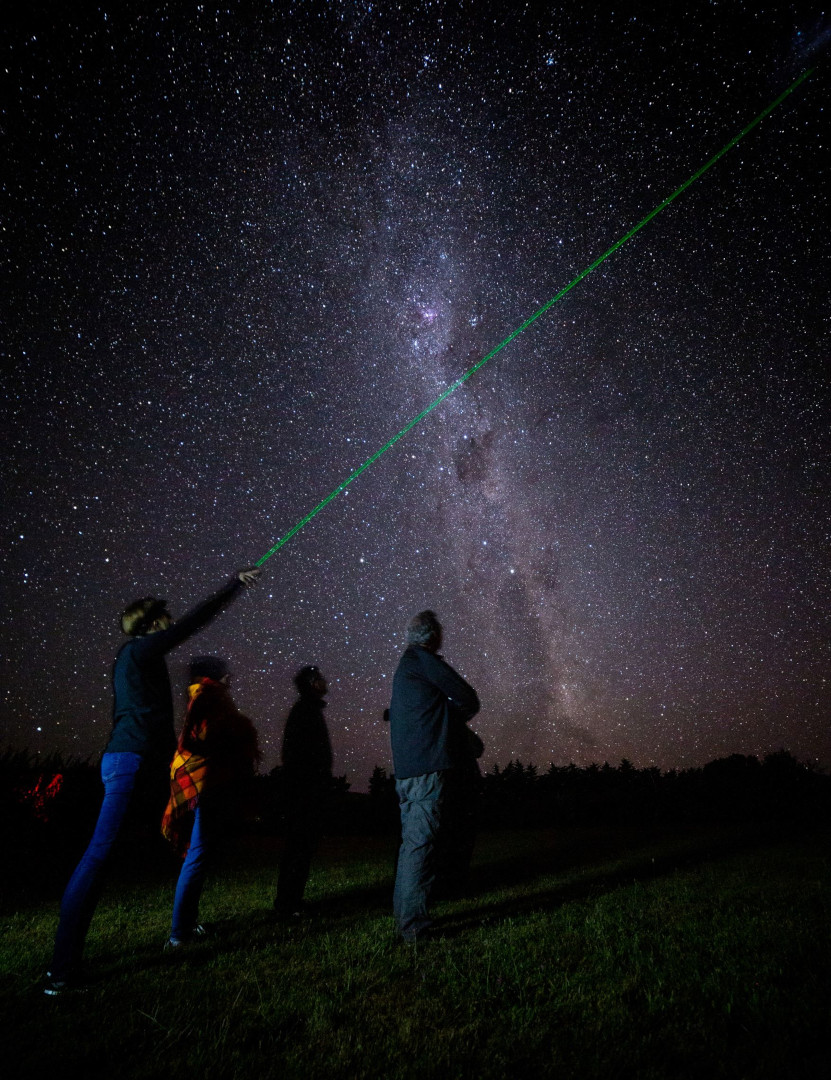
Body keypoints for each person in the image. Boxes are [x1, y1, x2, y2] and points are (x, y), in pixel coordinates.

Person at [44, 568, 260, 995]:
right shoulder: (140, 651)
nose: (170, 620)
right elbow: (194, 622)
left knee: (107, 857)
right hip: (131, 762)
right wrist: (235, 584)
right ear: (150, 623)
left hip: (134, 761)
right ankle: (60, 971)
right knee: (97, 857)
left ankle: (71, 963)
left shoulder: (139, 659)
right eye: (164, 616)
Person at [388, 610, 480, 942]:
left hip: (407, 769)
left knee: (411, 844)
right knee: (422, 845)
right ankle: (414, 927)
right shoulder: (423, 660)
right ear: (432, 636)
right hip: (427, 766)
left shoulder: (405, 666)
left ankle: (404, 918)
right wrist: (455, 721)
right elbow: (469, 698)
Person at [162, 657, 260, 948]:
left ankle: (187, 924)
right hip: (203, 783)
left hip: (204, 781)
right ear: (214, 676)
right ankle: (179, 934)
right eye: (224, 672)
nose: (230, 676)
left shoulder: (205, 697)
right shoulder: (207, 697)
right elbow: (201, 737)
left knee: (199, 855)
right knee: (197, 856)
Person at [274, 665, 333, 919]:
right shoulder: (305, 711)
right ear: (311, 683)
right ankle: (288, 904)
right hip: (305, 791)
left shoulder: (307, 710)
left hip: (305, 789)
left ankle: (291, 900)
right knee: (299, 847)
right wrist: (312, 786)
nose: (325, 681)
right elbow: (299, 755)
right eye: (320, 678)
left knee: (300, 848)